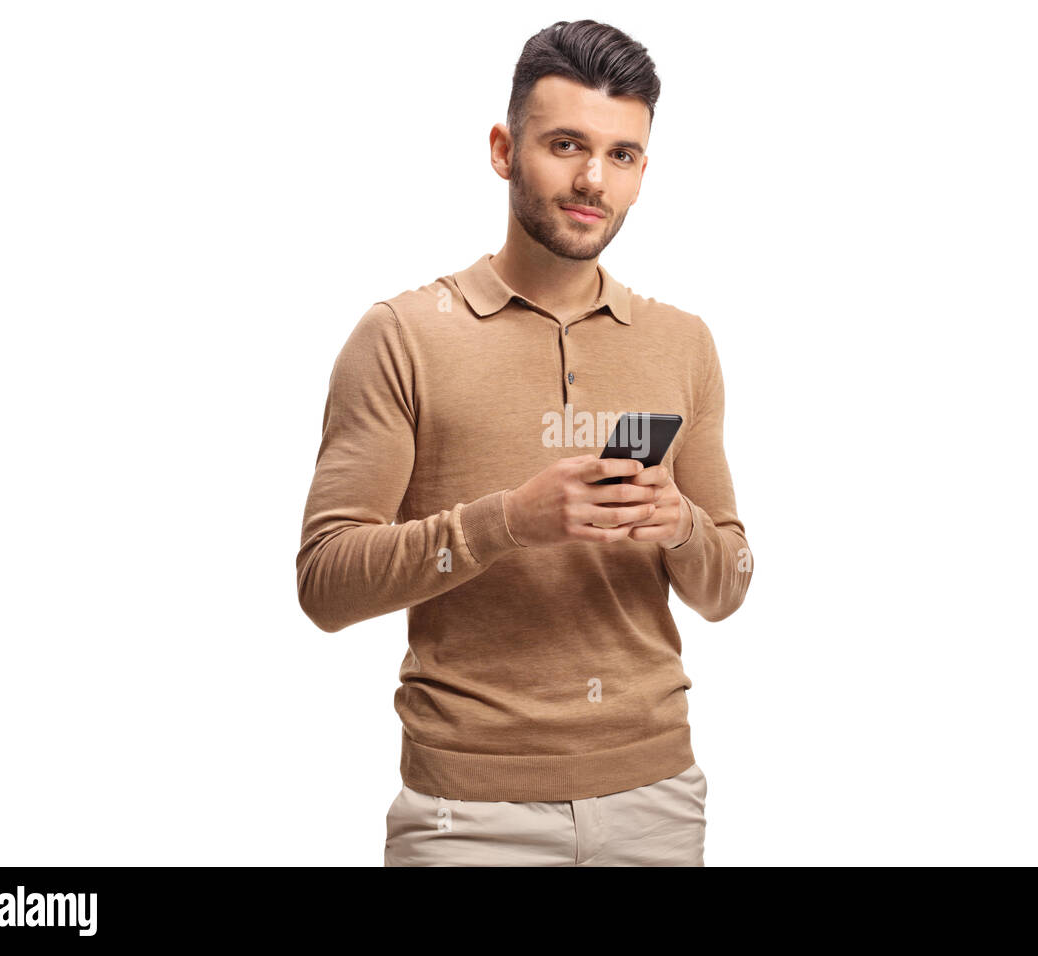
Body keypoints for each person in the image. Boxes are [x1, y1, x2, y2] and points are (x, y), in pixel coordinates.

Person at [296, 19, 753, 866]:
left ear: (643, 173)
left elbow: (729, 585)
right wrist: (506, 520)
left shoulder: (684, 342)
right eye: (567, 144)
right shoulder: (402, 335)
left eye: (622, 155)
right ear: (505, 149)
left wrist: (680, 525)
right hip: (468, 816)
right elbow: (324, 584)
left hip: (658, 799)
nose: (592, 180)